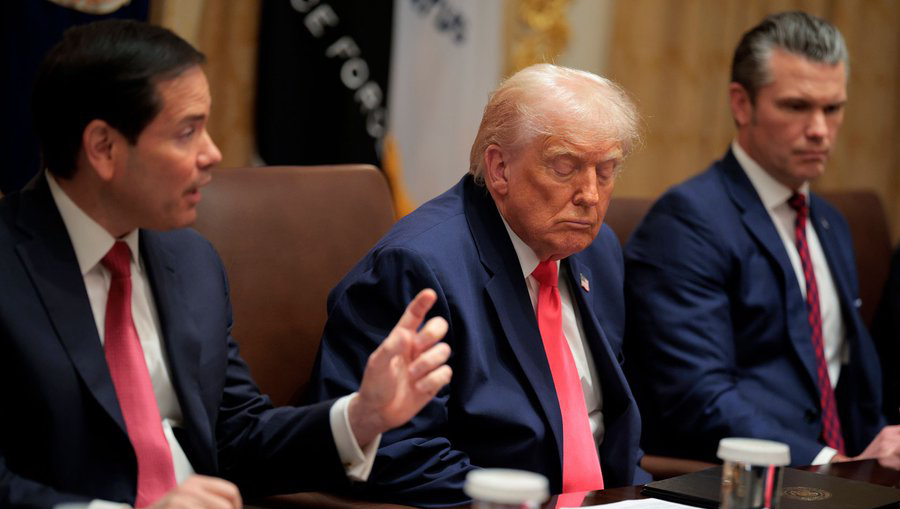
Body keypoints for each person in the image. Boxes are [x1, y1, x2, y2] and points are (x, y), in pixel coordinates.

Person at [0, 19, 452, 509]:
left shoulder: (190, 259)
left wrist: (362, 416)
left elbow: (237, 437)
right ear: (103, 148)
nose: (212, 153)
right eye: (187, 132)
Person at [307, 63, 648, 507]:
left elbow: (611, 428)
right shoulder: (416, 268)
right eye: (565, 168)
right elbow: (394, 450)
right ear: (500, 168)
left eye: (606, 171)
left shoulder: (597, 252)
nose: (591, 195)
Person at [624, 11, 900, 468]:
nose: (819, 129)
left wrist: (876, 458)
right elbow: (698, 397)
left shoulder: (829, 222)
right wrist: (831, 463)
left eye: (833, 108)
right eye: (796, 106)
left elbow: (849, 381)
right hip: (747, 480)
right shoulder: (687, 221)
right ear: (741, 104)